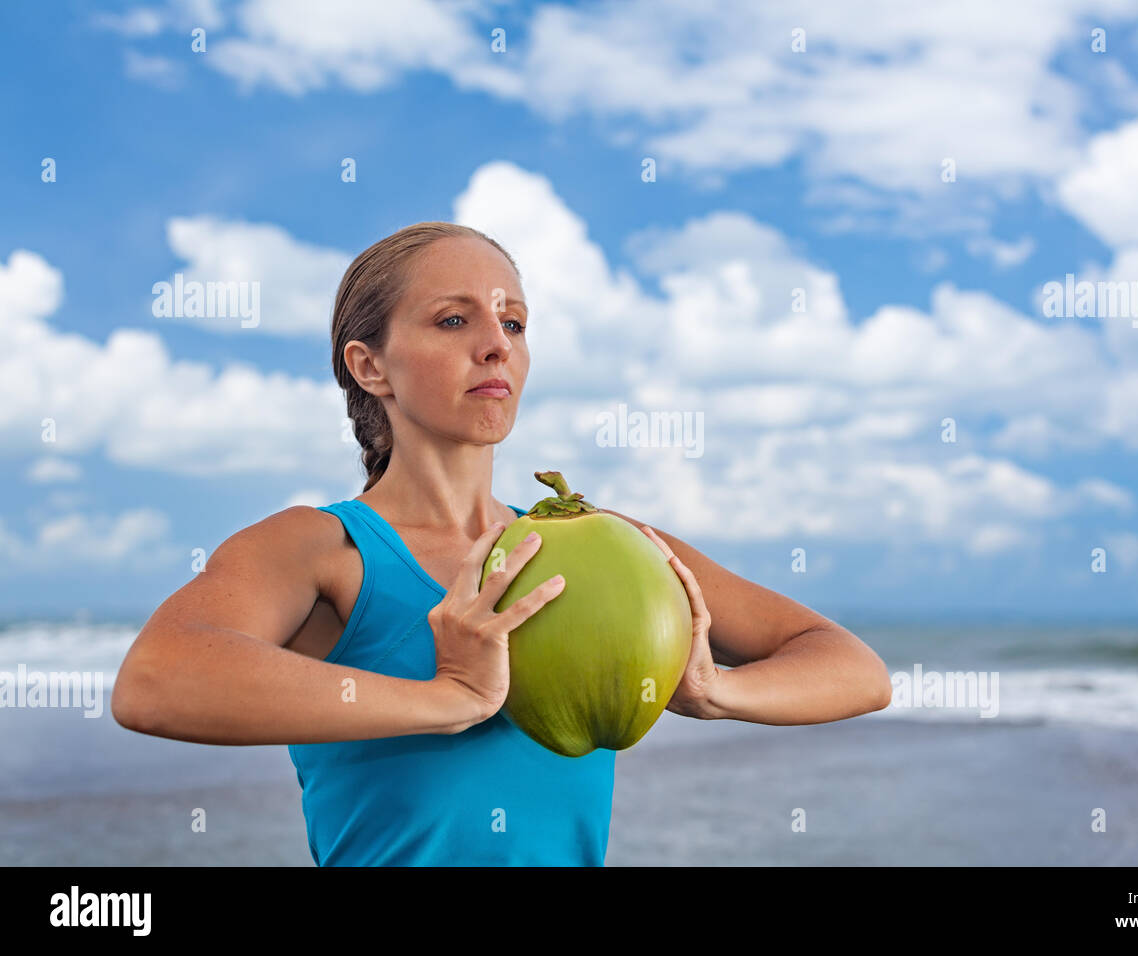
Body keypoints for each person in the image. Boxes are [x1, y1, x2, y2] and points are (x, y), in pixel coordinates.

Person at [110, 221, 893, 866]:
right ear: (370, 365)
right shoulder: (324, 550)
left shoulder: (609, 544)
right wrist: (447, 698)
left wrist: (716, 692)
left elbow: (854, 669)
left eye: (513, 323)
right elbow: (154, 682)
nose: (497, 346)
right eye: (455, 321)